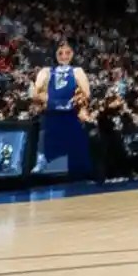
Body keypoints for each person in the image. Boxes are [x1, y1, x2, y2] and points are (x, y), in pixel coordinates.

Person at [32, 42, 92, 177]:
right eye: (60, 53)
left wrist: (79, 99)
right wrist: (47, 99)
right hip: (51, 114)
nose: (64, 56)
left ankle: (81, 170)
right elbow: (36, 93)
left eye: (67, 53)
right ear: (54, 54)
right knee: (46, 142)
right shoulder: (46, 71)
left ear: (73, 54)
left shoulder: (77, 71)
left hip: (71, 114)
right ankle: (42, 162)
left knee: (77, 146)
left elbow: (86, 93)